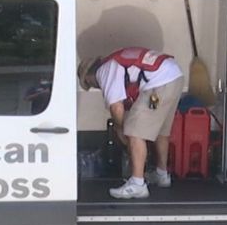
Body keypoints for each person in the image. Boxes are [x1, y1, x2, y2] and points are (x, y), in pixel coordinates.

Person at [79, 47, 185, 199]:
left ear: (89, 76)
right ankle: (162, 175)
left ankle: (137, 184)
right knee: (162, 130)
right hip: (175, 75)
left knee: (133, 132)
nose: (95, 87)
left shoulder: (104, 71)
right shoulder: (115, 63)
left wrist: (122, 131)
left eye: (89, 84)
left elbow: (116, 107)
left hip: (158, 83)